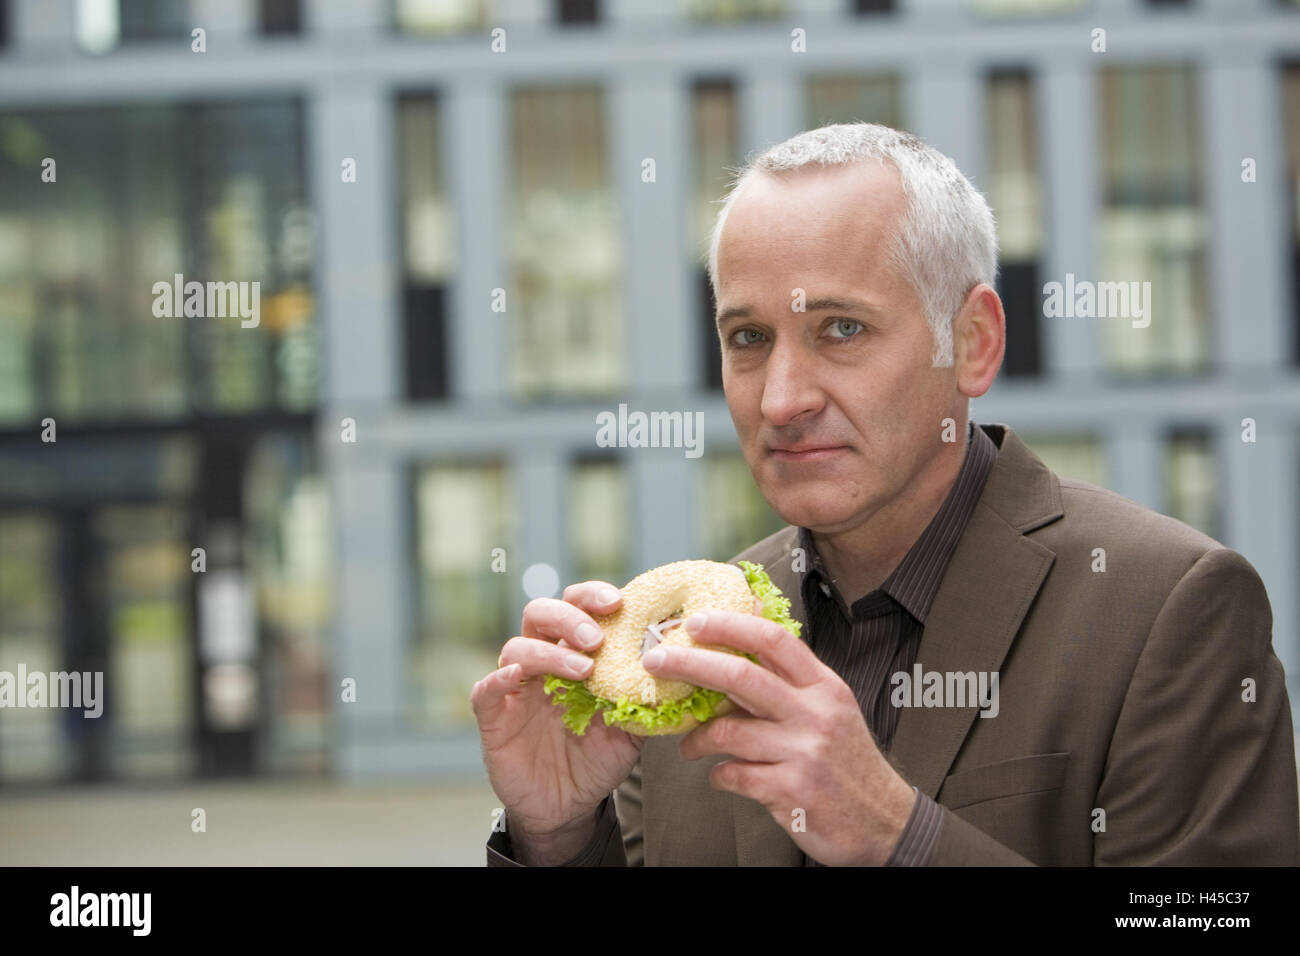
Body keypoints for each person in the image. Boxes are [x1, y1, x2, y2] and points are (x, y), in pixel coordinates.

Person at [472, 122, 1300, 866]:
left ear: (972, 343)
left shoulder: (1170, 607)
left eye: (841, 329)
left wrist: (903, 841)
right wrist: (561, 839)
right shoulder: (684, 654)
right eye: (748, 338)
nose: (782, 398)